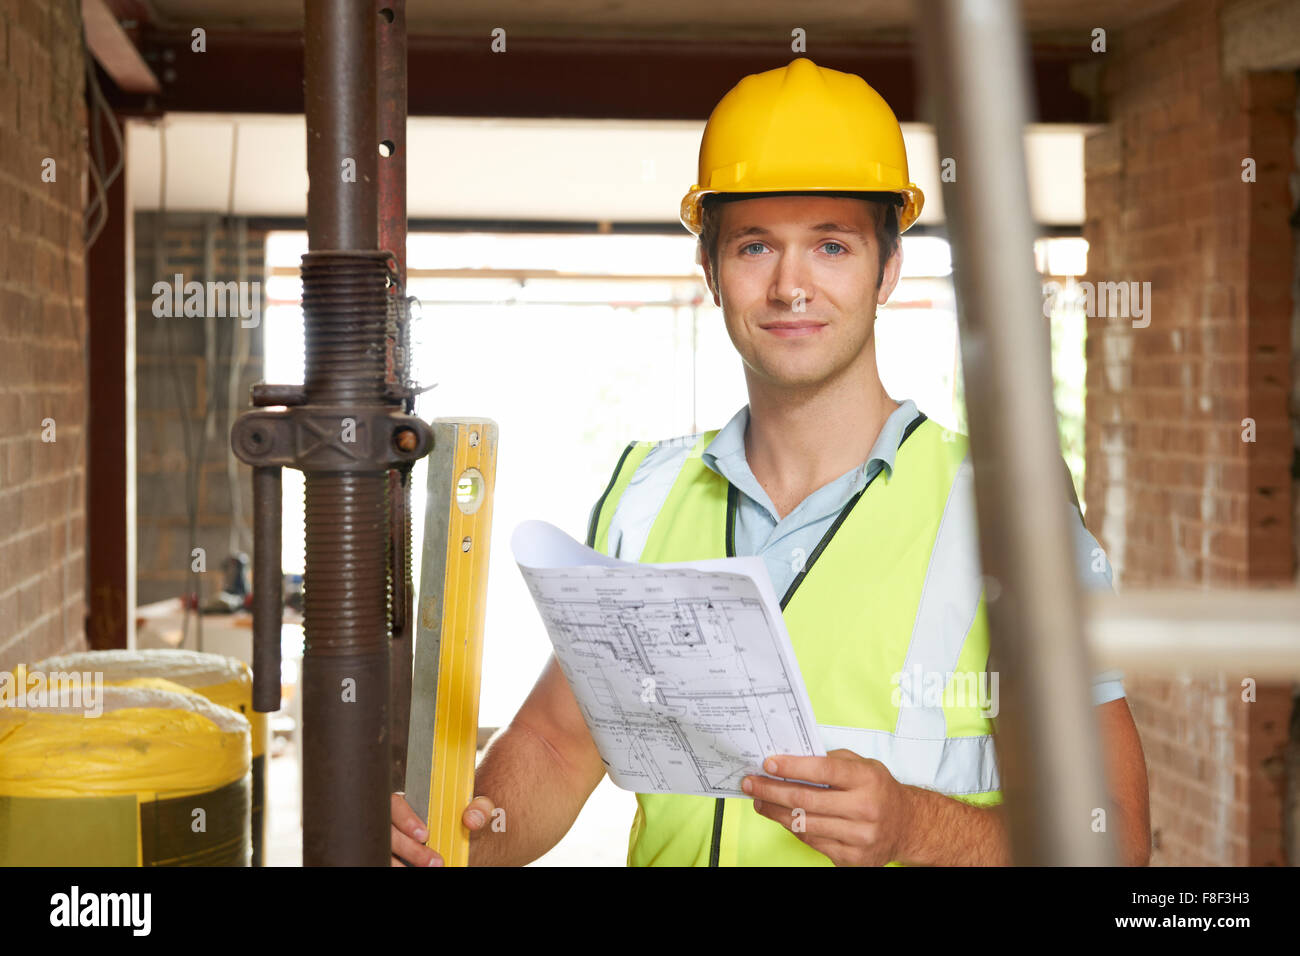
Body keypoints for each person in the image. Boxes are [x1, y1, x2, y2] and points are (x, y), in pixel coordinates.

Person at [391, 57, 1150, 867]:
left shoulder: (1003, 519)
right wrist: (453, 842)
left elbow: (1116, 839)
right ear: (710, 270)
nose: (792, 287)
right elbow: (554, 743)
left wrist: (914, 828)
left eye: (831, 245)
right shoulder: (647, 498)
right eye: (756, 247)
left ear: (887, 269)